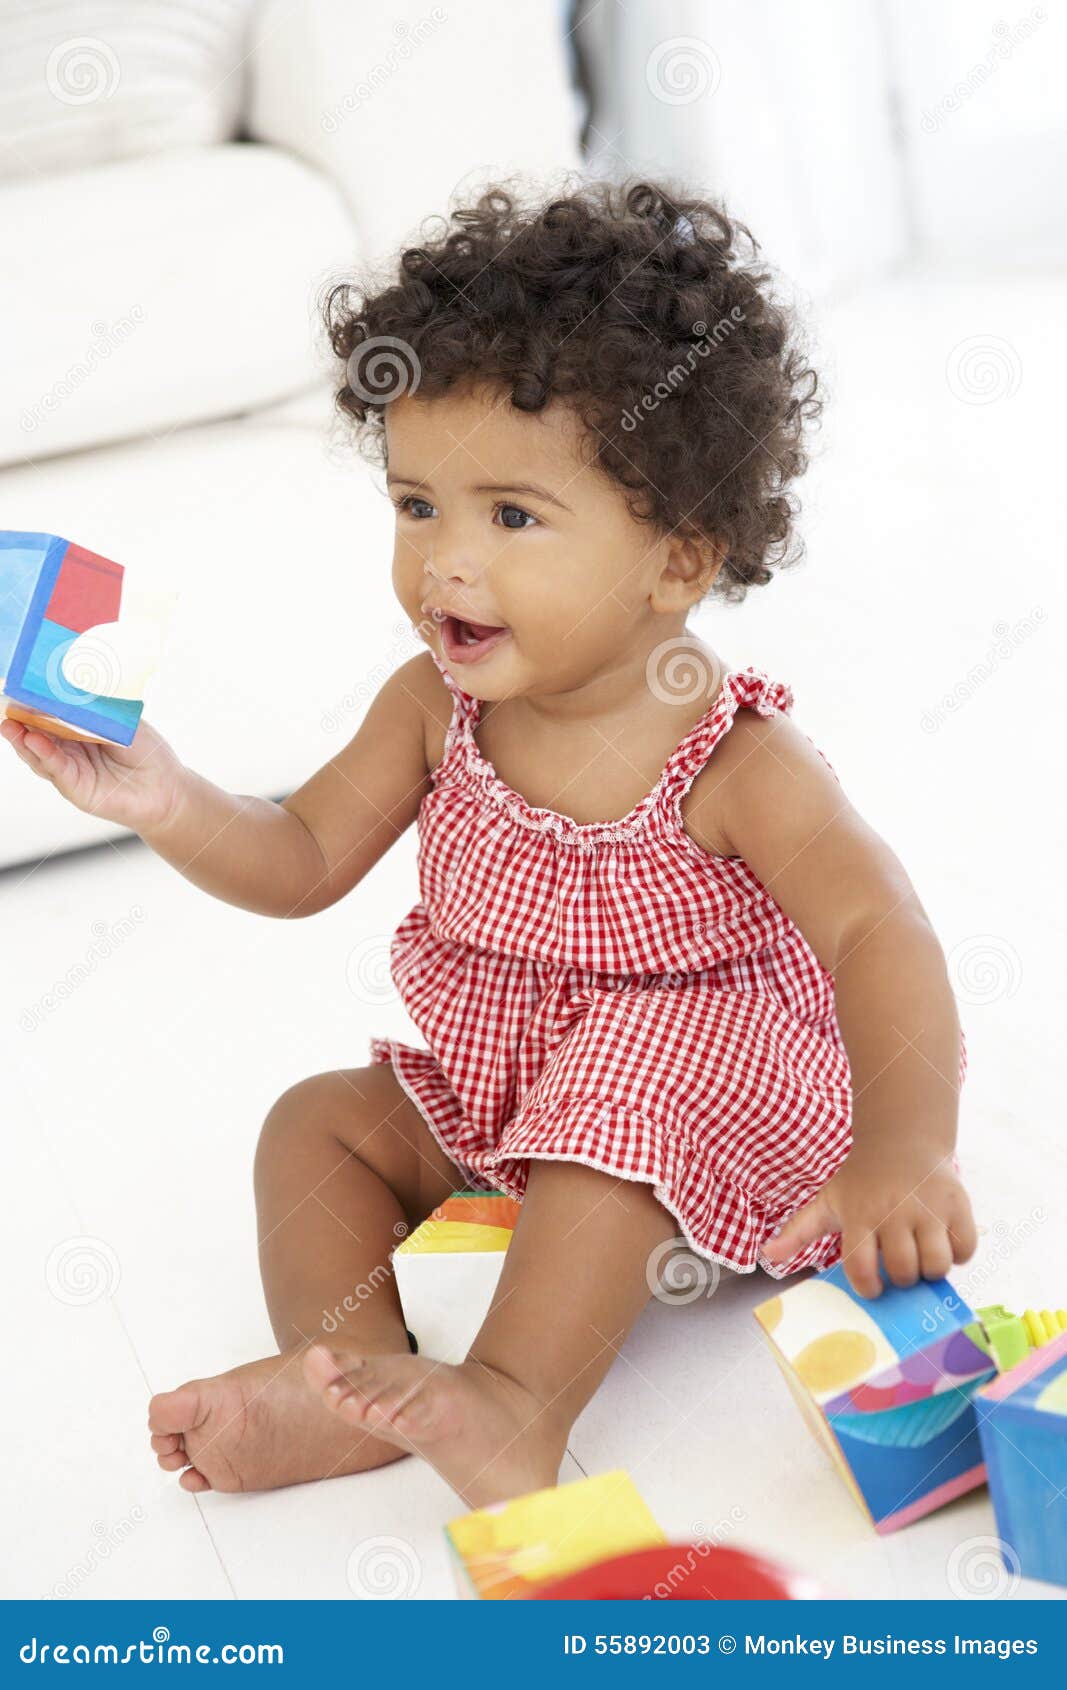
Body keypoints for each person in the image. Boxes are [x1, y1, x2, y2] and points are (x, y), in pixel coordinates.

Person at [2, 179, 976, 1508]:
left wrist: (906, 1150)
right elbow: (299, 857)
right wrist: (166, 797)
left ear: (679, 561)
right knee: (318, 1126)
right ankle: (342, 1375)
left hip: (714, 1110)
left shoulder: (734, 757)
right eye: (416, 507)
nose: (445, 565)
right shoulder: (431, 708)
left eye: (511, 518)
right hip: (509, 1087)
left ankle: (515, 1406)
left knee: (620, 1087)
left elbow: (880, 932)